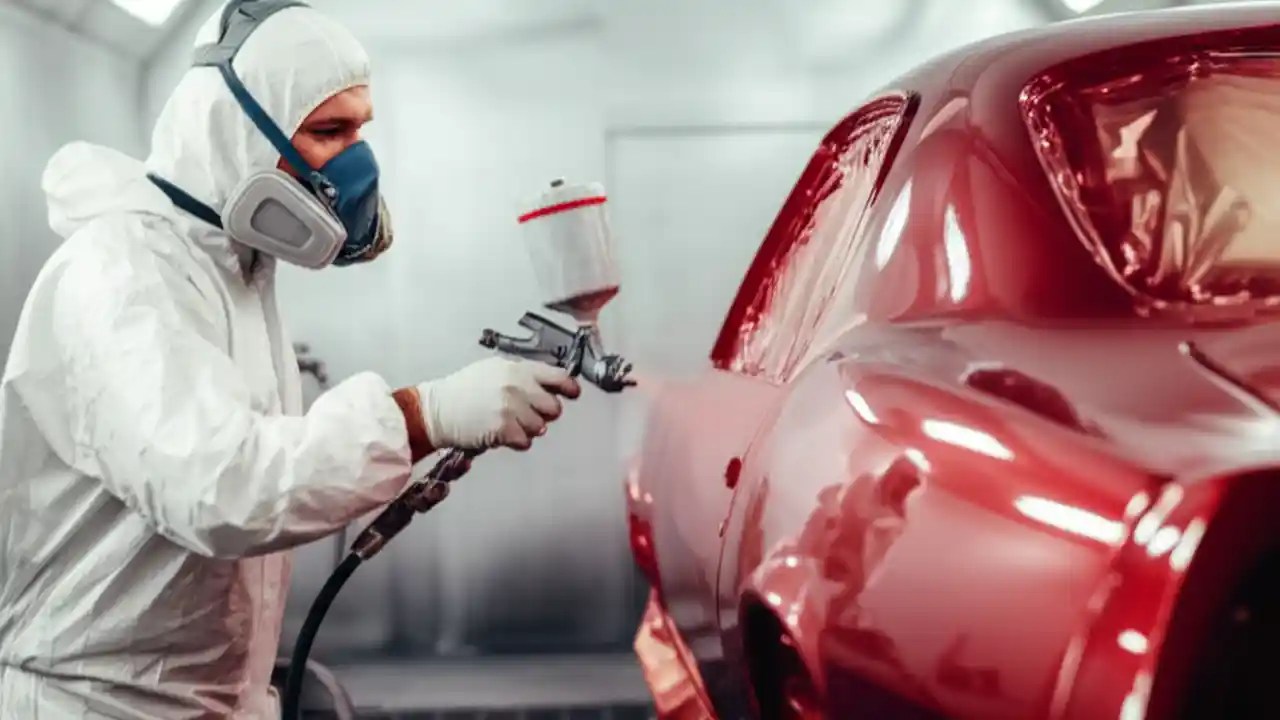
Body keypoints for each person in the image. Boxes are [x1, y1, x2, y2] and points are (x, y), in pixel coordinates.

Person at [0, 1, 579, 717]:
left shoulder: (235, 273)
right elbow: (222, 485)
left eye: (360, 130)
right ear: (240, 136)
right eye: (329, 132)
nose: (356, 160)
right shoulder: (121, 274)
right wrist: (420, 416)